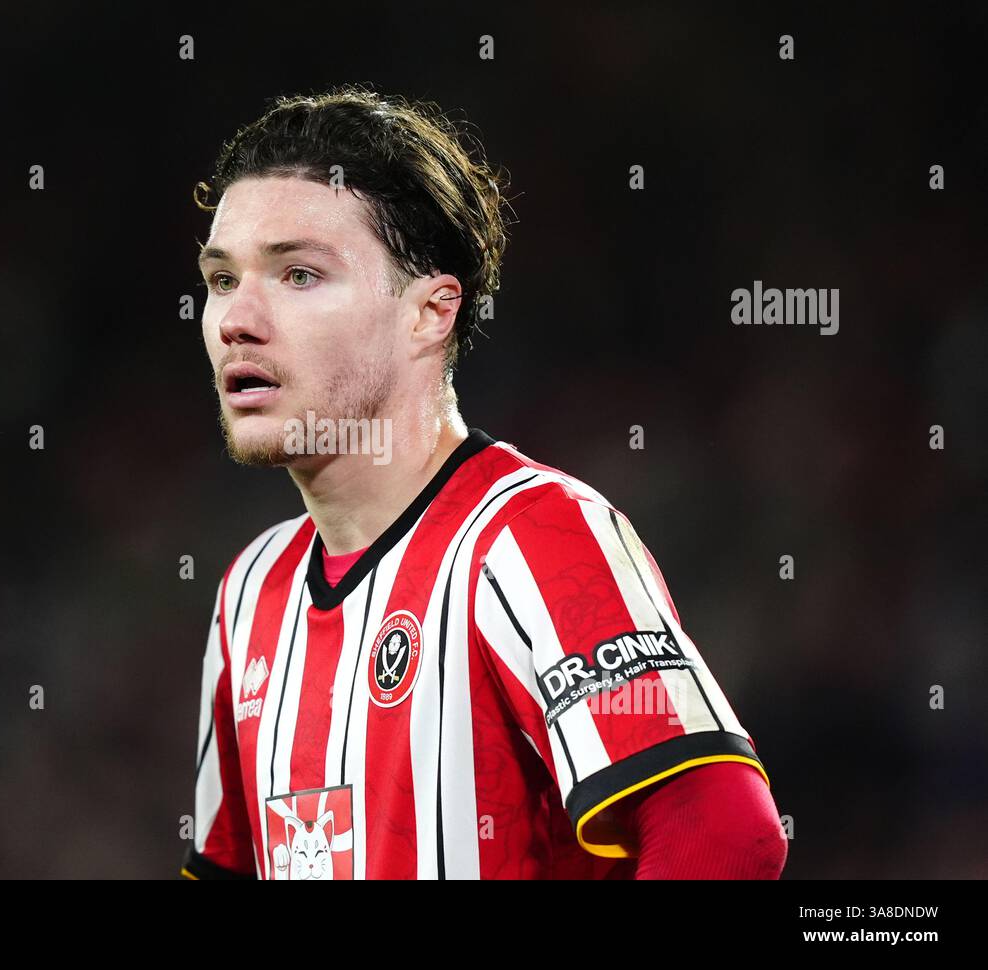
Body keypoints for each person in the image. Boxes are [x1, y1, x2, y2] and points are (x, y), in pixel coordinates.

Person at [182, 85, 787, 880]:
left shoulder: (532, 538)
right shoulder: (249, 592)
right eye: (222, 279)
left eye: (298, 275)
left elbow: (722, 837)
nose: (235, 319)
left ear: (429, 312)